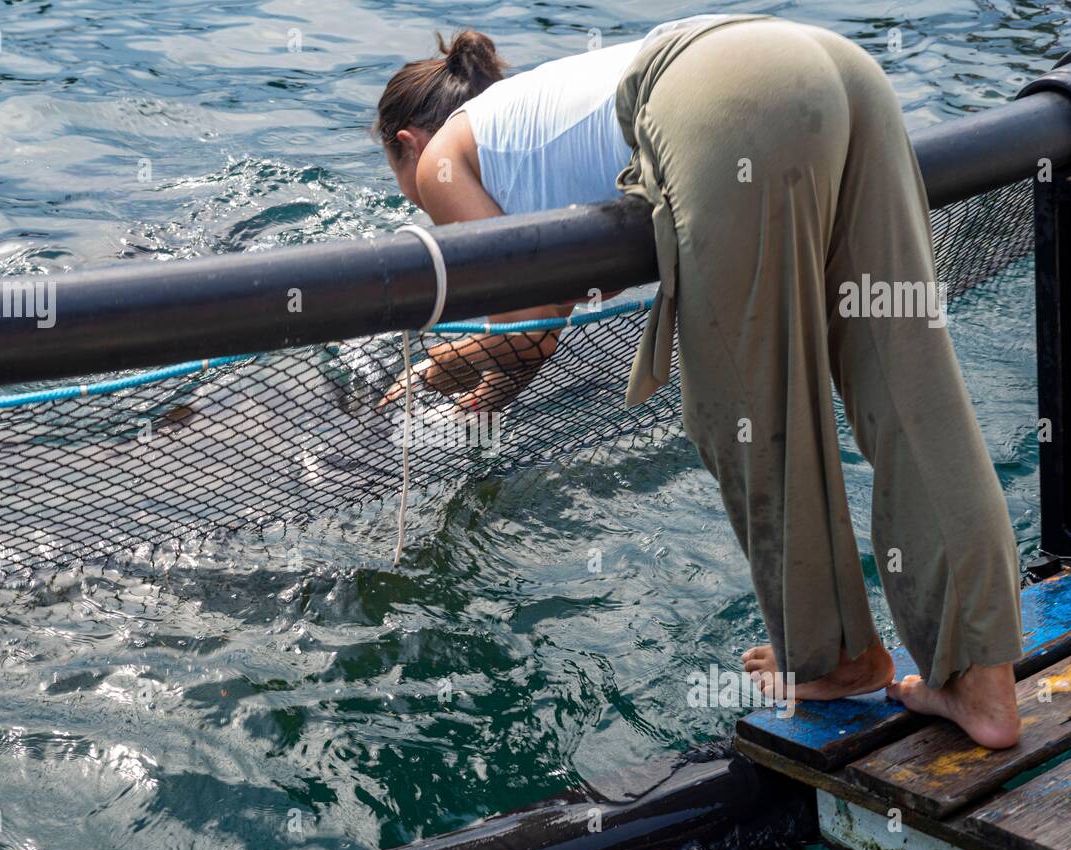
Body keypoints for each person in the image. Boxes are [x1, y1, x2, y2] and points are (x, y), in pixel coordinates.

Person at [372, 16, 1024, 748]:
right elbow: (539, 323)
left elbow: (528, 331)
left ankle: (835, 658)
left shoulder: (439, 165)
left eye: (406, 190)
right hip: (831, 65)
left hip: (732, 99)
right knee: (908, 378)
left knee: (747, 407)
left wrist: (420, 372)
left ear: (408, 146)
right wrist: (497, 387)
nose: (418, 204)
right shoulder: (523, 108)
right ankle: (981, 681)